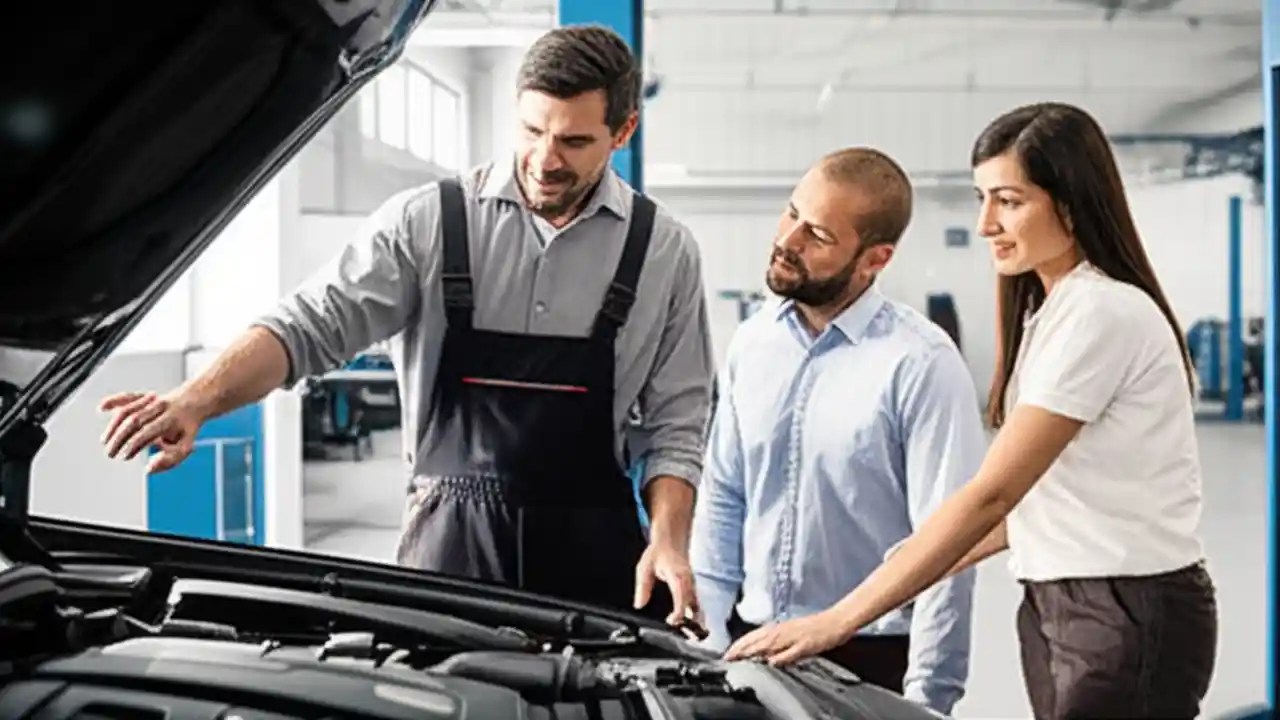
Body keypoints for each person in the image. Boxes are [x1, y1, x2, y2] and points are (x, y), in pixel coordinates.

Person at [96, 24, 715, 626]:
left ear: (623, 131)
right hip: (449, 554)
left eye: (574, 142)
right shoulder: (429, 222)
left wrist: (668, 541)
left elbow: (675, 425)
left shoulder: (664, 252)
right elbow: (311, 323)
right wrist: (196, 399)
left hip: (597, 564)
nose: (544, 159)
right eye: (531, 130)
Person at [724, 102, 1218, 720]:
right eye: (982, 198)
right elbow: (1044, 501)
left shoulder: (1101, 313)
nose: (985, 223)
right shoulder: (1052, 311)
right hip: (1061, 602)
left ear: (1069, 202)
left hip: (1122, 607)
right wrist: (909, 564)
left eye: (1008, 200)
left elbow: (993, 494)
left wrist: (837, 622)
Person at [690, 147, 985, 714]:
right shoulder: (753, 344)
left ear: (874, 259)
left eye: (818, 235)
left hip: (870, 658)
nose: (789, 239)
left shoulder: (920, 363)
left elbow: (947, 547)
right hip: (749, 646)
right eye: (791, 212)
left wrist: (926, 703)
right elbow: (725, 493)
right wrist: (710, 637)